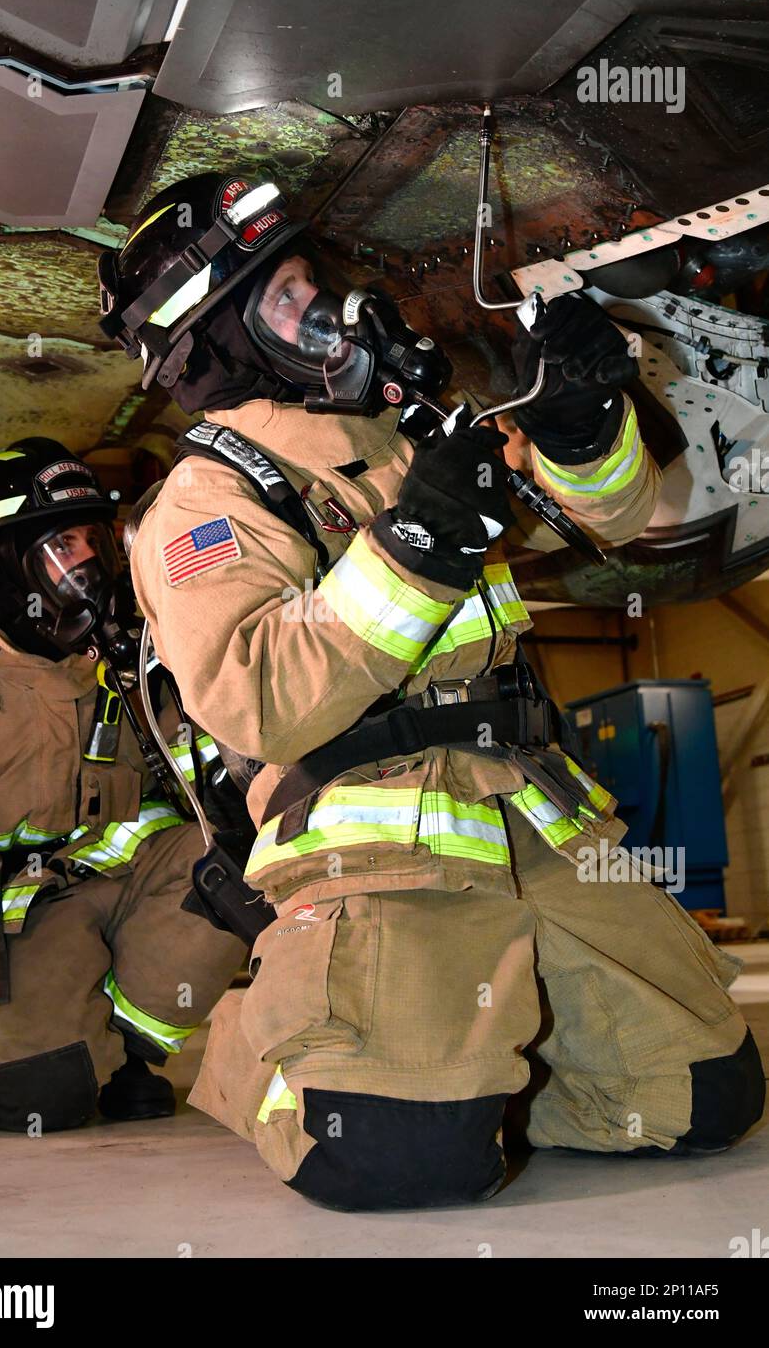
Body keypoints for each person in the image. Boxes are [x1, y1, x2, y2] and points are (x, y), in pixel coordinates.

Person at [99, 173, 764, 1209]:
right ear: (217, 339)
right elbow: (257, 699)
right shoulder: (207, 491)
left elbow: (611, 518)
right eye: (283, 293)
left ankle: (480, 1086)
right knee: (385, 1160)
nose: (320, 301)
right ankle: (262, 1061)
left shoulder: (408, 434)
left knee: (704, 1096)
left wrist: (582, 427)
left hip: (530, 809)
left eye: (310, 275)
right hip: (381, 838)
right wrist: (417, 542)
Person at [0, 438, 246, 1132]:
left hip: (118, 900)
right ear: (1, 566)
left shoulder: (136, 677)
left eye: (94, 546)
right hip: (10, 935)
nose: (85, 572)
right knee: (41, 1100)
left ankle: (127, 1059)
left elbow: (222, 794)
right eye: (61, 551)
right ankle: (32, 1046)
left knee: (242, 852)